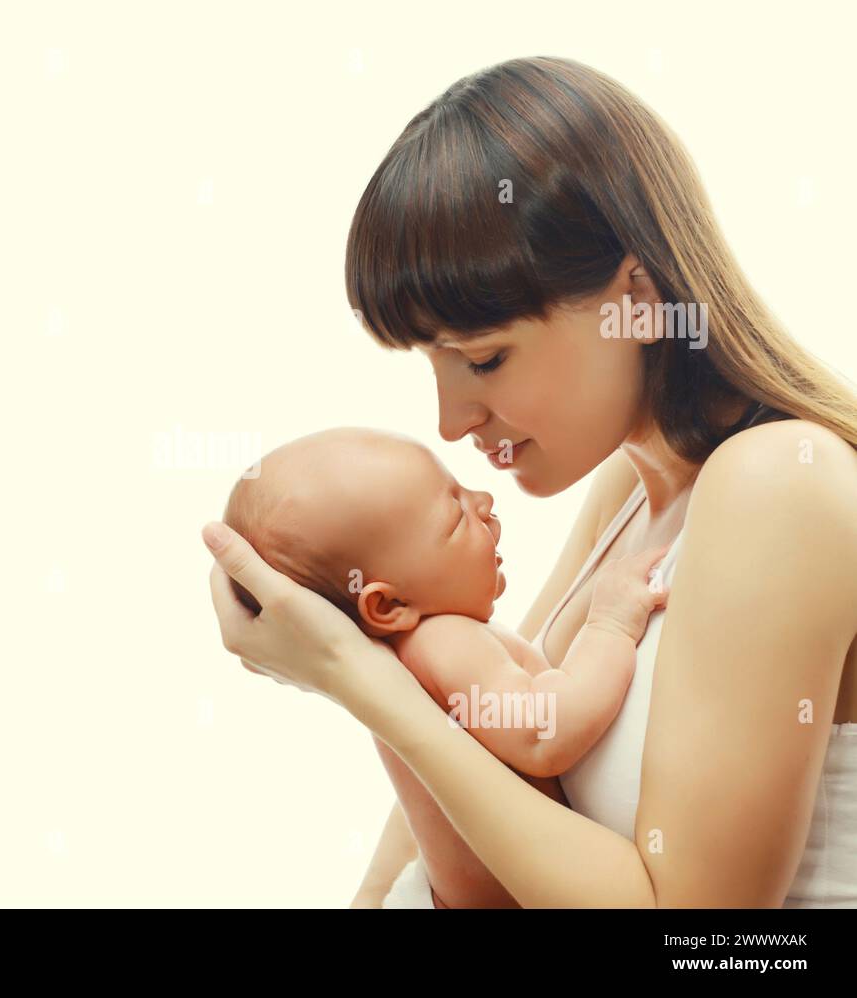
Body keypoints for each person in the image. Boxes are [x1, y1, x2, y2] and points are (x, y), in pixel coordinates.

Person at [202, 56, 857, 907]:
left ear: (639, 298)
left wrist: (358, 680)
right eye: (432, 365)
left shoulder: (778, 485)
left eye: (483, 358)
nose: (451, 421)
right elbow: (487, 749)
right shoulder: (628, 493)